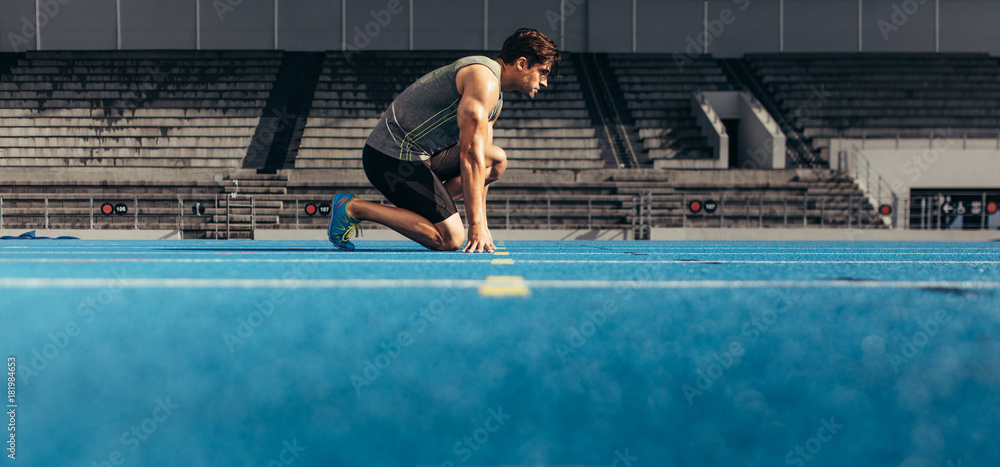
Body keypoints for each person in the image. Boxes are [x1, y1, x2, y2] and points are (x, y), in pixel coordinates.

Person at [327, 28, 560, 253]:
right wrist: (475, 225)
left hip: (421, 157)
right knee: (451, 239)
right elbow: (470, 154)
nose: (545, 82)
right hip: (389, 157)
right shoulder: (484, 80)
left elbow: (480, 161)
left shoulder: (495, 100)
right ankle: (354, 208)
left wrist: (482, 223)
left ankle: (429, 209)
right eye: (543, 72)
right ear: (521, 63)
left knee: (496, 159)